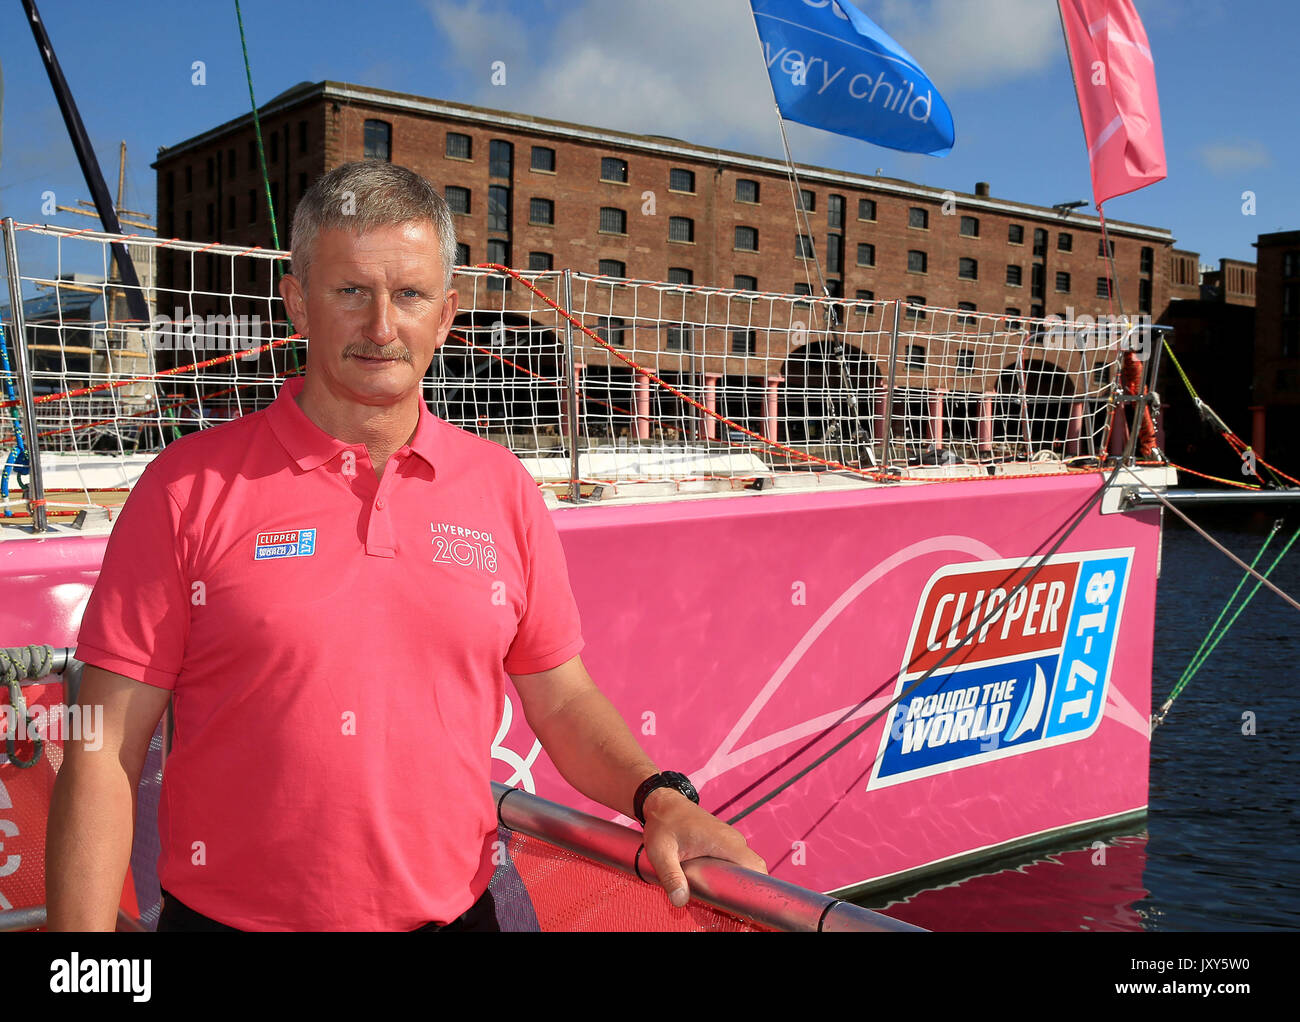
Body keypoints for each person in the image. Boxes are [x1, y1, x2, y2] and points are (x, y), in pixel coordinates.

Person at [45, 161, 766, 931]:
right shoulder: (186, 488)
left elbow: (564, 697)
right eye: (351, 290)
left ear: (447, 314)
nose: (382, 326)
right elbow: (104, 752)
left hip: (457, 920)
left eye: (410, 295)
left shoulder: (502, 489)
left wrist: (661, 798)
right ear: (298, 303)